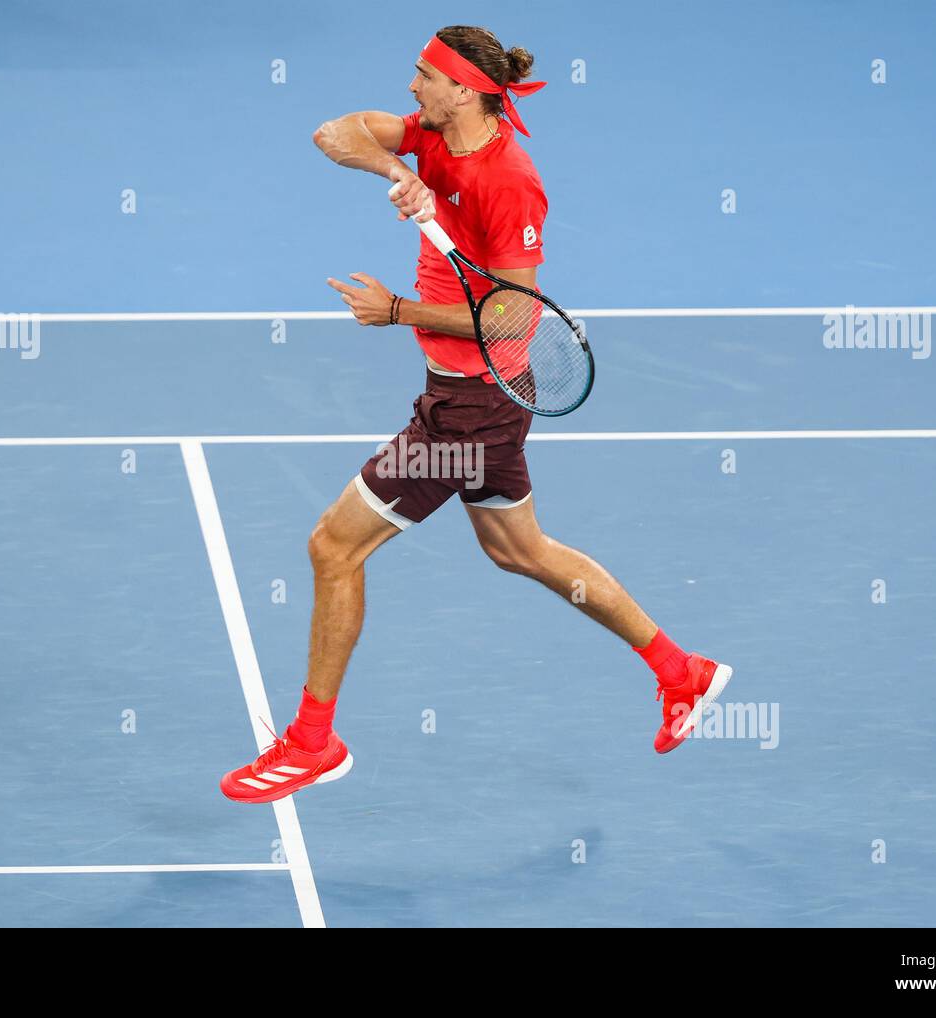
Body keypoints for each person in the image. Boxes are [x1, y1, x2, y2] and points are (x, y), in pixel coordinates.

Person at [220, 26, 732, 804]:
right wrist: (403, 173)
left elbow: (511, 323)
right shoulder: (431, 135)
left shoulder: (507, 180)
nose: (412, 87)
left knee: (333, 548)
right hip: (471, 404)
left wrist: (396, 311)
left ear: (463, 88)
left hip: (471, 411)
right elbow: (336, 133)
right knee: (519, 550)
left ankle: (312, 743)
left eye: (424, 76)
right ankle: (680, 671)